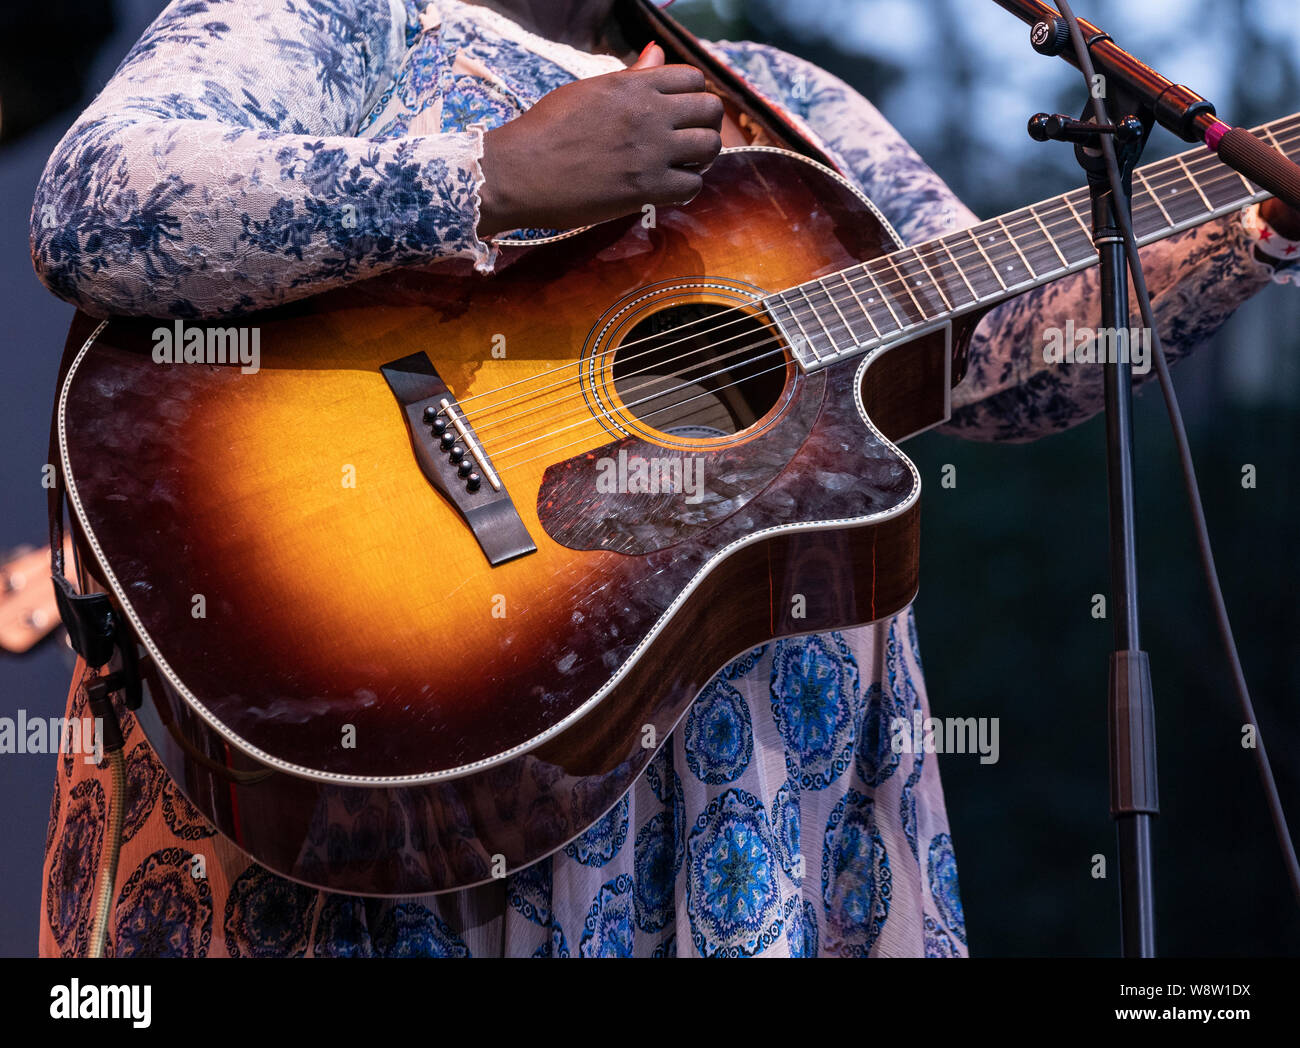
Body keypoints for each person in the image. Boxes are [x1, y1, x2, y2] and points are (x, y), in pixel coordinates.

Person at [29, 0, 1300, 958]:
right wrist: (489, 177)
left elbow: (1000, 358)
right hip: (454, 740)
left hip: (756, 788)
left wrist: (1249, 234)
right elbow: (95, 201)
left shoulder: (784, 101)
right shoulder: (345, 20)